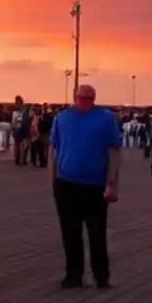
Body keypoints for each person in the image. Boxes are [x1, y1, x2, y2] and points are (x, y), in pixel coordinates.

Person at [50, 85, 122, 289]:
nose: (85, 102)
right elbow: (54, 149)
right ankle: (74, 274)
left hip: (95, 185)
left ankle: (101, 275)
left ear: (94, 99)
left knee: (97, 232)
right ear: (75, 97)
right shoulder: (62, 118)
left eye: (89, 99)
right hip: (66, 183)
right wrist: (53, 180)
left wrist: (112, 183)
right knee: (70, 232)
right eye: (82, 98)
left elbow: (113, 151)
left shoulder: (106, 118)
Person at [12, 96, 30, 165]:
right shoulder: (16, 110)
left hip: (23, 128)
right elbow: (13, 121)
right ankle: (19, 159)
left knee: (24, 144)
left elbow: (27, 120)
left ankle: (22, 159)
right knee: (18, 144)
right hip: (18, 128)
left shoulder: (24, 110)